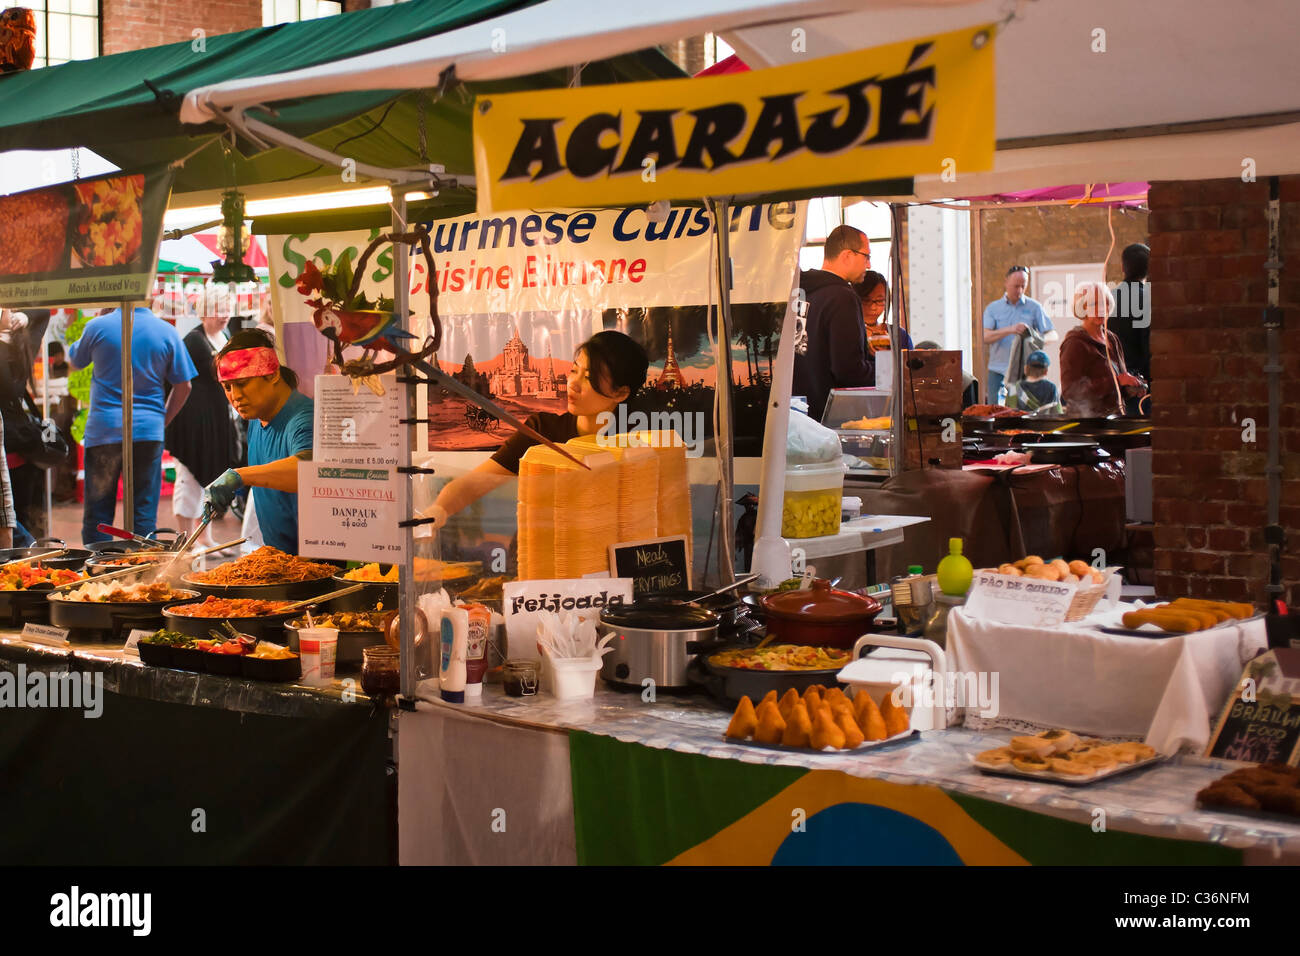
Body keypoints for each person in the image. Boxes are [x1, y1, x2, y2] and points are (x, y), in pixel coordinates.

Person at [418, 330, 649, 530]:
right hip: (543, 556)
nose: (573, 384)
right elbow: (475, 483)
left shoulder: (637, 443)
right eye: (574, 371)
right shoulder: (542, 431)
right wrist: (439, 510)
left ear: (621, 393)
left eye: (588, 378)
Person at [67, 306, 195, 544]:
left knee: (98, 512)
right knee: (143, 511)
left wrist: (97, 321)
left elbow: (75, 361)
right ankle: (142, 573)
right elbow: (184, 385)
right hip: (148, 431)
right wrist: (162, 419)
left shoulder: (97, 326)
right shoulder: (166, 330)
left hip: (104, 430)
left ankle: (98, 570)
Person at [202, 329, 314, 555]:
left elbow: (309, 471)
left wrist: (240, 476)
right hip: (280, 560)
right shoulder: (256, 417)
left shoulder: (303, 418)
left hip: (316, 565)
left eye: (242, 383)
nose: (235, 396)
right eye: (227, 387)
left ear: (272, 375)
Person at [165, 314, 238, 550]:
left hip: (216, 419)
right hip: (193, 423)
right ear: (205, 312)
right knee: (188, 479)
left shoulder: (222, 336)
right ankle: (185, 539)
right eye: (218, 310)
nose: (224, 315)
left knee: (209, 479)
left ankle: (203, 536)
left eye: (227, 309)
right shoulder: (194, 340)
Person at [793, 225, 874, 421]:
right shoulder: (842, 297)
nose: (869, 265)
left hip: (796, 415)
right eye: (866, 256)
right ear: (847, 255)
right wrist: (886, 369)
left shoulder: (799, 291)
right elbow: (848, 370)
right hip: (830, 417)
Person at [1060, 282, 1146, 417]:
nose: (1101, 309)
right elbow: (1070, 392)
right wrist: (1116, 381)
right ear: (1082, 308)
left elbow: (1116, 389)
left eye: (1104, 303)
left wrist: (1132, 387)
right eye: (1094, 304)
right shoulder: (1074, 343)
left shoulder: (1112, 339)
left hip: (1114, 420)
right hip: (1088, 425)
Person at [982, 265, 1056, 403]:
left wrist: (1036, 339)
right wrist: (1010, 329)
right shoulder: (993, 309)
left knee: (1022, 411)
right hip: (998, 371)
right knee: (995, 412)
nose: (1020, 290)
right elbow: (985, 337)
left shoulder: (1035, 307)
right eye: (1016, 286)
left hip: (1025, 373)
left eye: (1023, 286)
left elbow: (1053, 334)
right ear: (1006, 283)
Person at [1110, 242, 1151, 415]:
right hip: (1143, 389)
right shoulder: (1150, 300)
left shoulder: (1107, 300)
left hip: (1115, 385)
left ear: (1122, 267)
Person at [855, 271, 913, 354]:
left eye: (879, 300)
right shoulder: (849, 334)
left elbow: (907, 364)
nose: (873, 307)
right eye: (866, 300)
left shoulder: (899, 335)